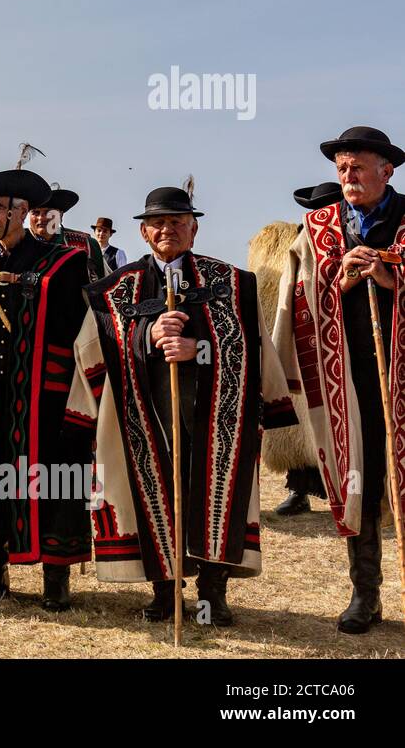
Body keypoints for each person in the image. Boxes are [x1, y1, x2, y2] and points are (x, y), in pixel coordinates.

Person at [67, 186, 297, 625]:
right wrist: (147, 337)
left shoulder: (231, 283)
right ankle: (165, 591)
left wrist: (199, 347)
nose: (167, 230)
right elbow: (96, 347)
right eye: (158, 223)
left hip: (213, 415)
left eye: (177, 222)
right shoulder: (117, 290)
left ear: (193, 229)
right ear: (143, 232)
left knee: (214, 498)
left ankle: (212, 593)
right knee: (158, 497)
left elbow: (253, 347)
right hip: (147, 413)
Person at [274, 126, 405, 634]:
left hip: (398, 368)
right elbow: (300, 294)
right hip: (349, 381)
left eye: (357, 167)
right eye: (341, 168)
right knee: (363, 480)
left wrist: (392, 277)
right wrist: (346, 277)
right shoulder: (319, 228)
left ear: (386, 172)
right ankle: (365, 595)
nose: (347, 176)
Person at [0, 165, 91, 611]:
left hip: (45, 396)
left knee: (51, 480)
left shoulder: (63, 262)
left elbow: (81, 328)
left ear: (22, 210)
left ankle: (56, 577)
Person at [270, 181, 342, 517]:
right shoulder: (300, 238)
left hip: (346, 338)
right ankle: (299, 489)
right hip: (305, 336)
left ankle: (356, 492)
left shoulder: (351, 234)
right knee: (301, 420)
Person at [28, 187, 106, 282]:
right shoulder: (17, 243)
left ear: (60, 216)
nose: (41, 218)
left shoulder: (87, 244)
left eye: (49, 212)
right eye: (36, 212)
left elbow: (101, 285)